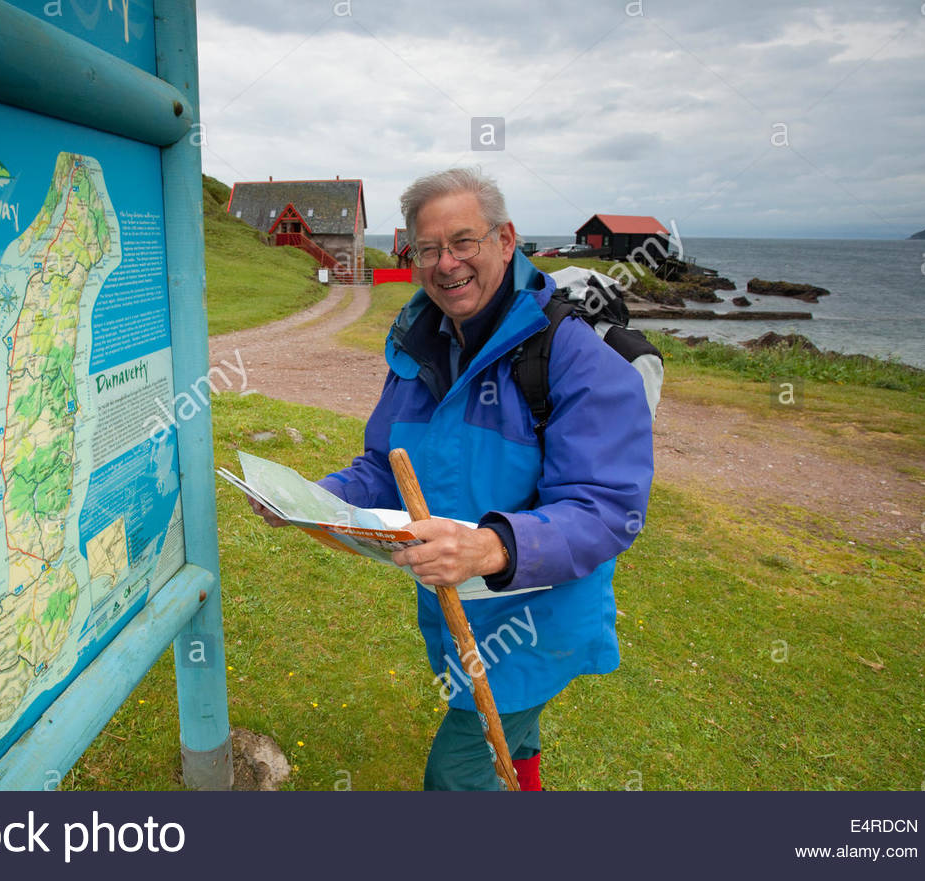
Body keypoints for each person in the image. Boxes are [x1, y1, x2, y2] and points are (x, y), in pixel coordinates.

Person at [248, 167, 654, 790]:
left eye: (463, 242)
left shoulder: (572, 356)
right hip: (459, 612)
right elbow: (384, 467)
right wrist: (313, 499)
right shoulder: (420, 345)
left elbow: (605, 509)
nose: (446, 263)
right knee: (515, 739)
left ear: (506, 239)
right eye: (429, 249)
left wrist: (489, 548)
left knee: (458, 774)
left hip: (538, 617)